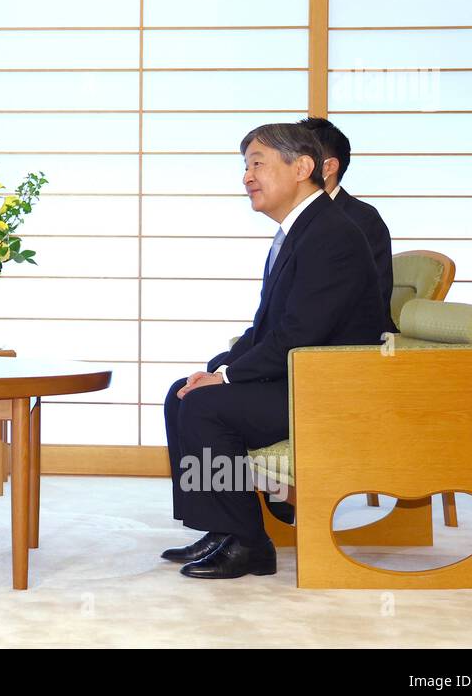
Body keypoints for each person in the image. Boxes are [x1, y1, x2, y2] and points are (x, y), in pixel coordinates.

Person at [161, 123, 385, 579]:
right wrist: (222, 365)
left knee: (206, 406)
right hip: (298, 374)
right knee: (181, 392)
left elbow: (301, 333)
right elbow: (268, 325)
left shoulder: (333, 233)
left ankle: (250, 545)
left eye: (258, 163)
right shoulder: (301, 229)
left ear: (303, 167)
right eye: (245, 166)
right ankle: (222, 527)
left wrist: (226, 378)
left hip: (327, 387)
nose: (247, 176)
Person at [298, 116, 396, 333]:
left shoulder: (362, 220)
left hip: (348, 348)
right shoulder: (298, 218)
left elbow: (357, 306)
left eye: (300, 159)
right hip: (304, 335)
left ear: (329, 167)